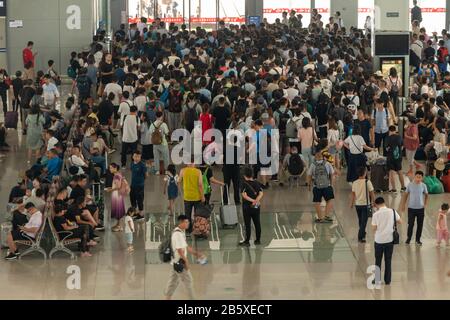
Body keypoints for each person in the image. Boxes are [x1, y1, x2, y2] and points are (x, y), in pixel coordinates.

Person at [164, 215, 205, 300]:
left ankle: (167, 298)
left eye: (188, 222)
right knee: (188, 281)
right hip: (180, 263)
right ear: (181, 222)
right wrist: (186, 262)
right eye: (186, 222)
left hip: (175, 262)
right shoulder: (178, 234)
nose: (188, 223)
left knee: (173, 282)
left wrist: (196, 254)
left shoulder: (180, 232)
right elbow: (179, 250)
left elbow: (185, 247)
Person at [371, 197, 402, 286]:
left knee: (378, 260)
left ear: (376, 205)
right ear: (384, 203)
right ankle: (387, 280)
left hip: (379, 241)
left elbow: (373, 228)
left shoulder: (376, 214)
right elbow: (400, 221)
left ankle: (377, 279)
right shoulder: (392, 211)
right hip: (389, 240)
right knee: (388, 260)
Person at [400, 170, 428, 246]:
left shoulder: (423, 185)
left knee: (420, 225)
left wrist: (425, 204)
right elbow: (405, 195)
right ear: (414, 177)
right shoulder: (410, 185)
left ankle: (417, 240)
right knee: (411, 224)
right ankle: (408, 238)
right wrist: (403, 205)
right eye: (417, 177)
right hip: (411, 209)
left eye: (420, 177)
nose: (418, 178)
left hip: (420, 209)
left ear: (422, 178)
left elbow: (426, 195)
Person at [307, 148, 335, 224]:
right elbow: (332, 174)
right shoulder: (327, 163)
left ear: (315, 156)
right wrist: (331, 184)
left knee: (317, 202)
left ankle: (320, 218)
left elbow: (309, 175)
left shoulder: (313, 164)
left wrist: (309, 185)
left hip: (317, 186)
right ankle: (326, 216)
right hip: (327, 185)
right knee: (329, 200)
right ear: (322, 156)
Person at [179, 159, 205, 234]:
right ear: (194, 163)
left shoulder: (183, 171)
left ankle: (188, 230)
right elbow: (200, 185)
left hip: (187, 197)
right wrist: (202, 196)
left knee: (187, 214)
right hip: (197, 197)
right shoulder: (198, 171)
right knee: (197, 214)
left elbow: (179, 181)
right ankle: (197, 229)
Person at [239, 166, 264, 247]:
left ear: (244, 175)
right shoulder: (256, 183)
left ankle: (247, 241)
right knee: (257, 223)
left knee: (247, 224)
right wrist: (256, 201)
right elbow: (261, 193)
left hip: (247, 207)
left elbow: (244, 195)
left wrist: (252, 201)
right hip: (256, 207)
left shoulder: (243, 184)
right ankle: (258, 240)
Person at [350, 166, 375, 243]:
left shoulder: (354, 182)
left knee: (361, 221)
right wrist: (373, 202)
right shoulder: (367, 182)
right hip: (365, 205)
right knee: (364, 222)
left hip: (357, 205)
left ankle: (363, 234)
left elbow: (353, 194)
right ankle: (361, 237)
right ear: (365, 173)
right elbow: (372, 193)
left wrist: (351, 203)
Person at [107, 163, 129, 232]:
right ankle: (118, 224)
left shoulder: (116, 176)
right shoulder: (119, 174)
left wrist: (110, 190)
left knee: (118, 209)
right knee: (118, 209)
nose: (110, 169)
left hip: (117, 195)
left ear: (115, 168)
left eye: (111, 168)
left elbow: (118, 186)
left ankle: (119, 226)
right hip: (118, 194)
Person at [385, 125, 406, 193]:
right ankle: (403, 187)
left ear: (389, 131)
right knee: (400, 172)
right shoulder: (399, 137)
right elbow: (402, 147)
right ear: (395, 130)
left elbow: (387, 148)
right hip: (398, 157)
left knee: (392, 173)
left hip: (391, 157)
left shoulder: (388, 138)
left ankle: (394, 189)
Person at [130, 151, 147, 221]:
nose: (136, 158)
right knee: (132, 199)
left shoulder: (142, 165)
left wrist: (141, 181)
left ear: (140, 157)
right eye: (135, 156)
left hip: (139, 186)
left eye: (138, 157)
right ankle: (135, 212)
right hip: (133, 185)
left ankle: (141, 214)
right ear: (133, 157)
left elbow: (146, 175)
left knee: (140, 199)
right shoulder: (132, 164)